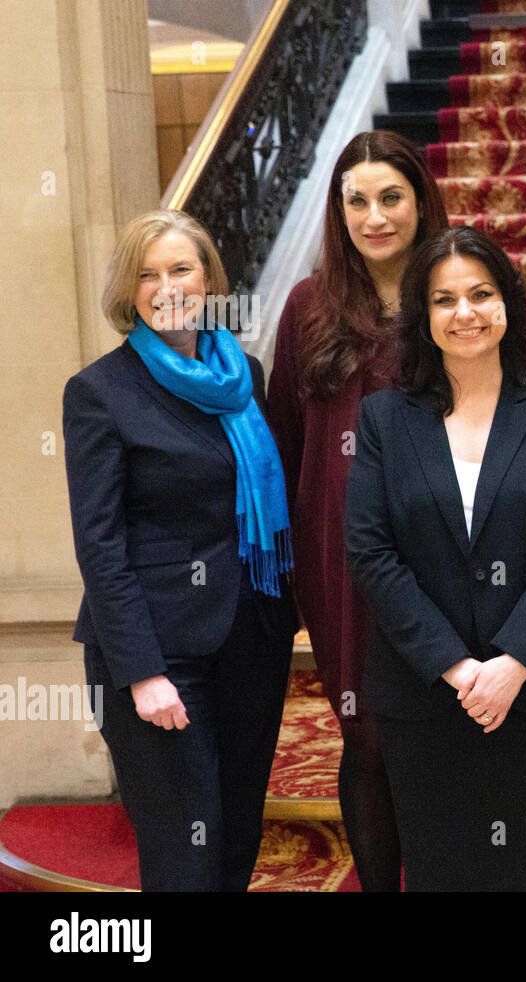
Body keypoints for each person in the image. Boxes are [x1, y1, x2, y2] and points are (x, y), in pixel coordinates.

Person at [344, 226, 526, 891]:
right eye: (444, 299)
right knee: (442, 873)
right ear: (422, 314)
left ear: (508, 304)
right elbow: (371, 554)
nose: (465, 313)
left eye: (481, 294)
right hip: (426, 694)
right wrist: (459, 669)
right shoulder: (383, 419)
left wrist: (511, 663)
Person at [63, 209, 297, 891]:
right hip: (158, 654)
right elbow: (99, 544)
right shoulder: (100, 393)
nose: (167, 286)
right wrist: (142, 671)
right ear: (128, 291)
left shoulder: (242, 376)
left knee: (236, 834)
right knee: (185, 852)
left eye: (181, 269)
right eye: (148, 274)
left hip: (251, 637)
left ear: (209, 278)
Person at [266, 130, 449, 891]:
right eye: (356, 201)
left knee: (442, 733)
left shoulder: (459, 287)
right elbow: (281, 439)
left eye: (391, 197)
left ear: (420, 200)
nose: (374, 216)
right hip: (341, 558)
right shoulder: (309, 305)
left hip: (447, 553)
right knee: (366, 737)